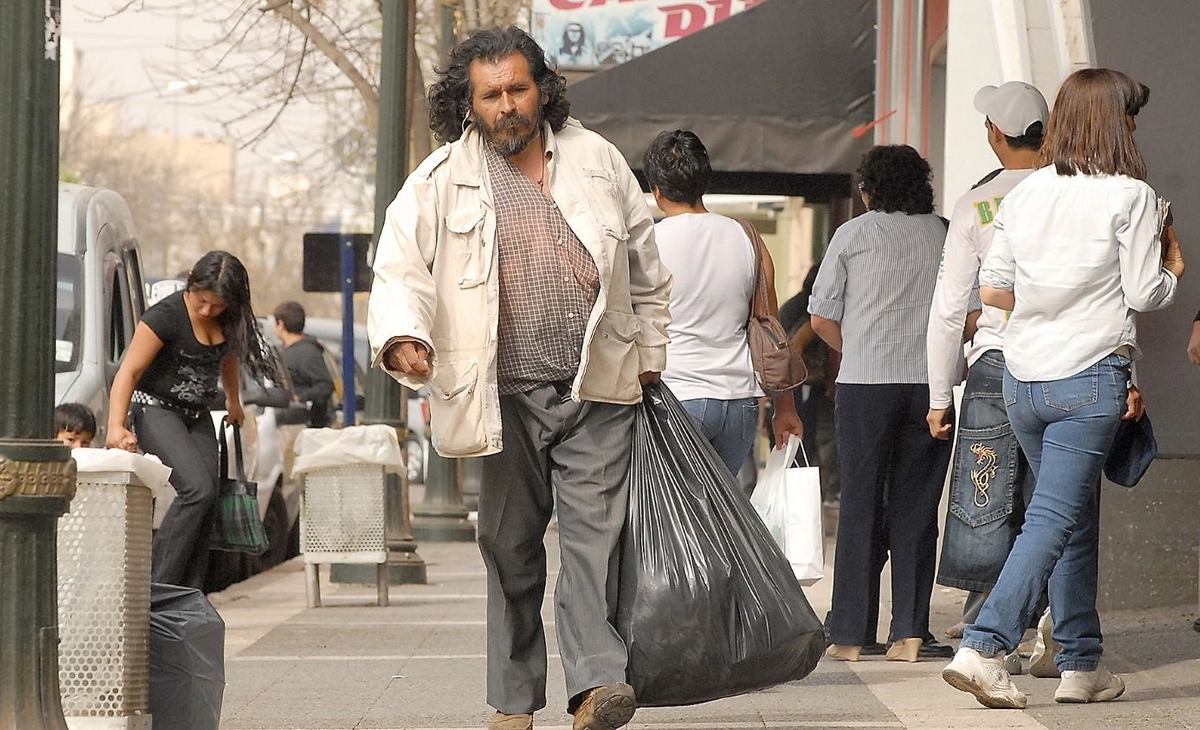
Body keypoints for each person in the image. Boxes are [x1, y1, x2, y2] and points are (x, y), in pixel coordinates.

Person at [366, 27, 671, 730]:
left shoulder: (597, 160)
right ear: (468, 104)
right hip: (498, 400)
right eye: (491, 93)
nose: (507, 105)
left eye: (518, 89)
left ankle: (597, 686)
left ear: (543, 90)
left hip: (595, 387)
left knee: (597, 545)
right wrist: (405, 336)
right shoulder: (440, 180)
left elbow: (648, 271)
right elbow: (399, 270)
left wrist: (651, 349)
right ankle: (513, 699)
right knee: (509, 552)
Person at [943, 67, 1184, 709]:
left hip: (1024, 380)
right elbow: (1144, 293)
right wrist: (1172, 267)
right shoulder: (1131, 196)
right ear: (1115, 122)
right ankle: (986, 645)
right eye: (1130, 116)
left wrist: (1044, 299)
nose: (1134, 127)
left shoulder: (1020, 196)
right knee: (1053, 516)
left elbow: (994, 291)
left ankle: (1081, 663)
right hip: (1088, 378)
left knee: (1069, 517)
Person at [808, 144, 953, 664]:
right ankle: (910, 633)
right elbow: (969, 312)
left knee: (861, 503)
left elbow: (822, 319)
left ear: (869, 189)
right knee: (916, 506)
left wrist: (863, 346)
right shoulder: (943, 232)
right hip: (928, 387)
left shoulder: (852, 234)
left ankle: (848, 632)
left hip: (865, 385)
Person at [925, 81, 1053, 666]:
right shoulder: (1069, 192)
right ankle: (1047, 618)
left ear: (995, 133)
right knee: (1050, 497)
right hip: (1065, 362)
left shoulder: (978, 203)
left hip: (995, 365)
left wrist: (937, 393)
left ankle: (986, 620)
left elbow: (951, 307)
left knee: (986, 495)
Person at [107, 250, 280, 590]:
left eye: (216, 305)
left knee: (210, 496)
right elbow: (129, 372)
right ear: (190, 284)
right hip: (155, 409)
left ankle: (189, 590)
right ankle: (155, 585)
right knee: (196, 490)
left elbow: (228, 361)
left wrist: (234, 400)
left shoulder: (229, 320)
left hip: (197, 415)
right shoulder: (165, 316)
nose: (207, 311)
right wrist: (116, 426)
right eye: (202, 301)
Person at [642, 129, 802, 481]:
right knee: (720, 522)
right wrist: (785, 409)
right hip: (738, 405)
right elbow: (771, 330)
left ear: (656, 189)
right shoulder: (748, 237)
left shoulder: (648, 244)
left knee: (677, 522)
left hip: (676, 400)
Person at [273, 300, 335, 428]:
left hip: (306, 424)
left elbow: (325, 386)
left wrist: (299, 398)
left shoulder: (307, 353)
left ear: (281, 324)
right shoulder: (281, 352)